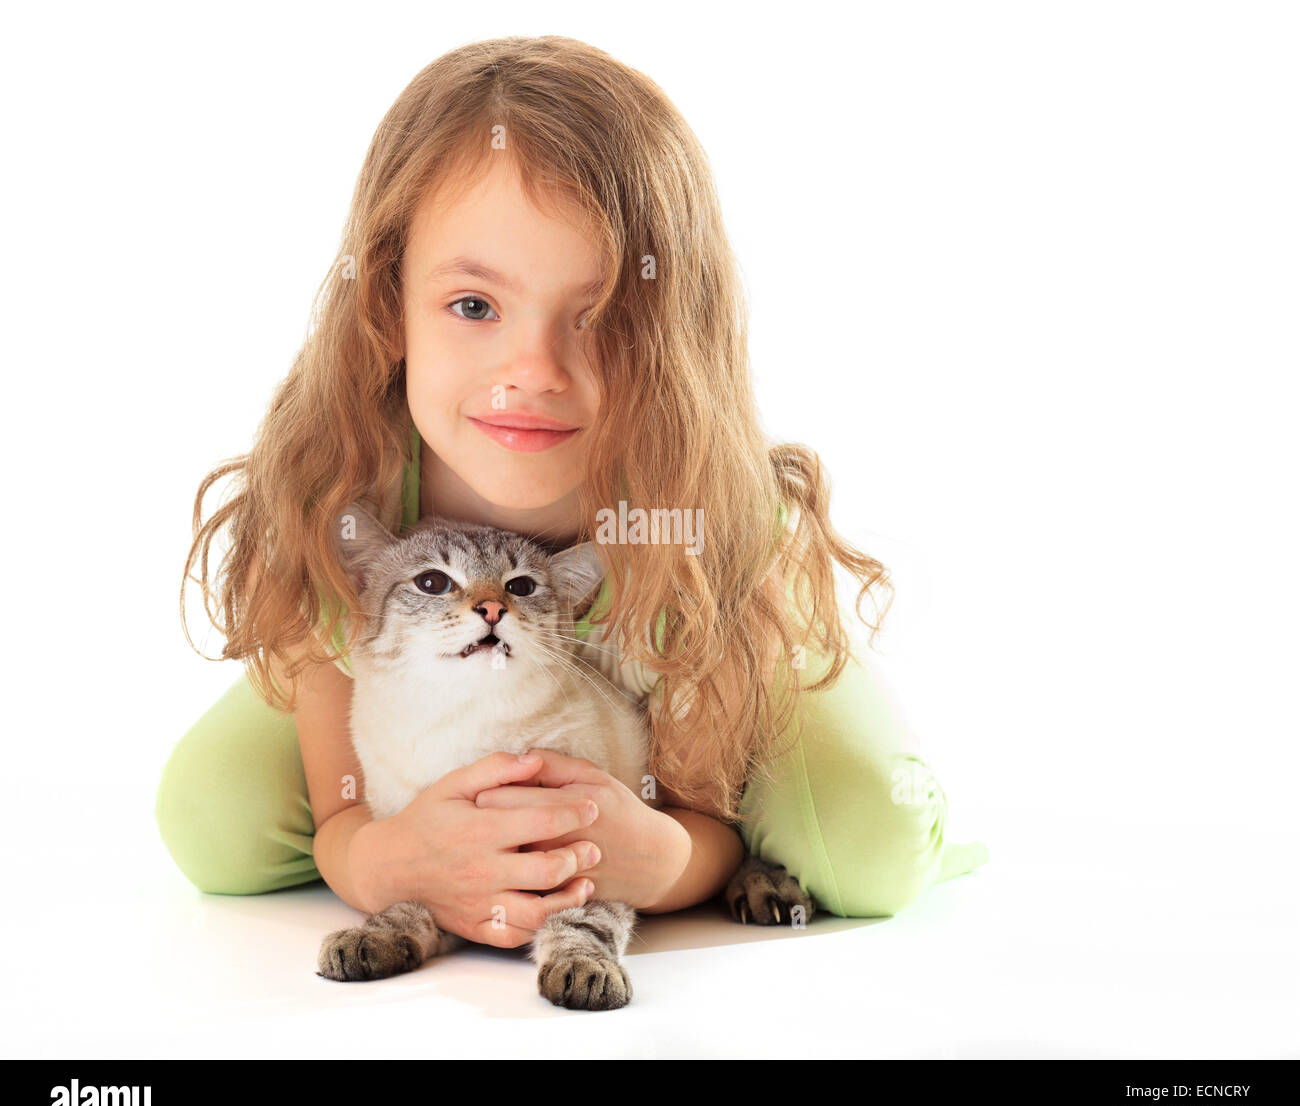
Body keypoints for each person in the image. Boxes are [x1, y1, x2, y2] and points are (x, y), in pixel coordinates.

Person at [155, 35, 990, 951]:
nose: (534, 371)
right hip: (426, 682)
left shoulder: (689, 517)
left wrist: (662, 858)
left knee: (867, 844)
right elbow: (341, 820)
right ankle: (458, 808)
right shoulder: (344, 479)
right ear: (390, 303)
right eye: (475, 306)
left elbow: (689, 820)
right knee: (212, 820)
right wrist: (390, 857)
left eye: (597, 319)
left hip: (715, 642)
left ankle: (818, 809)